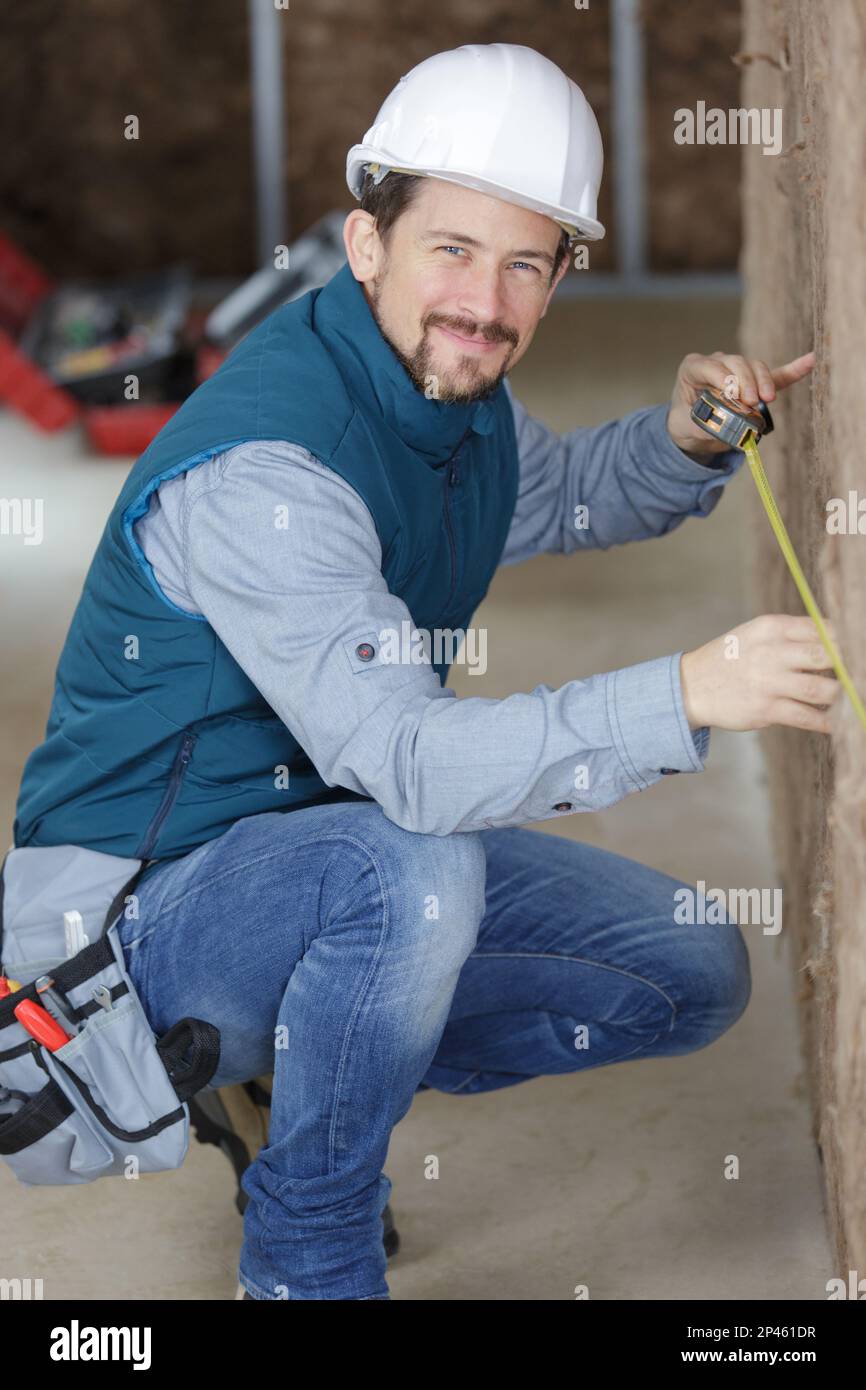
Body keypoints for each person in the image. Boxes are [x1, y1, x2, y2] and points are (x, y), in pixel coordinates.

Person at [13, 44, 834, 1301]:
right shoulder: (271, 470)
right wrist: (677, 694)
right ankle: (305, 1259)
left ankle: (298, 1058)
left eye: (525, 262)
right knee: (416, 859)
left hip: (311, 850)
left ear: (559, 280)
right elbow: (406, 763)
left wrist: (679, 440)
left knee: (683, 970)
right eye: (451, 247)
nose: (485, 299)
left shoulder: (450, 398)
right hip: (127, 926)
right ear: (364, 242)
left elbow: (549, 497)